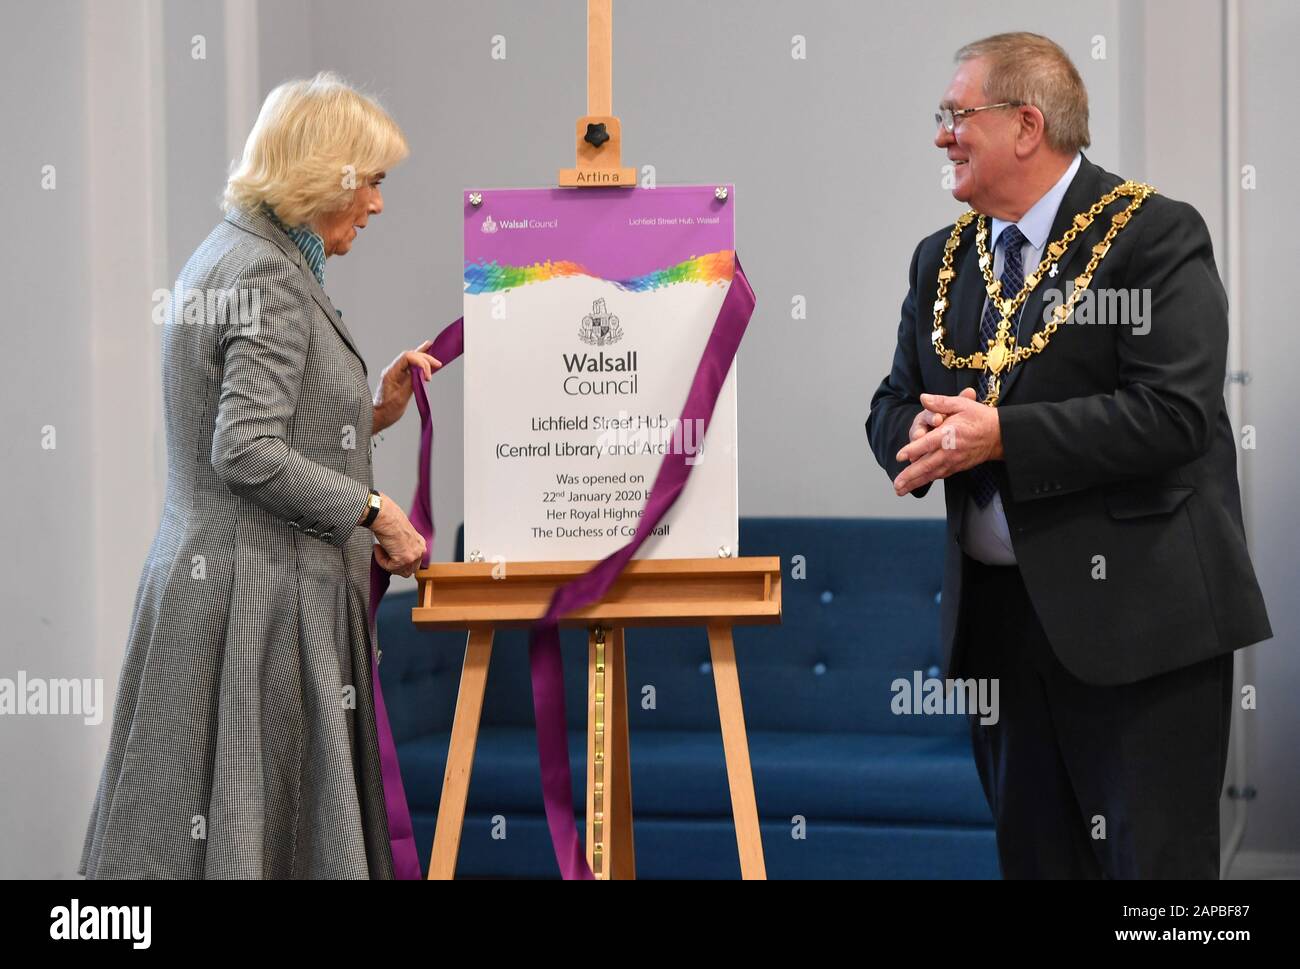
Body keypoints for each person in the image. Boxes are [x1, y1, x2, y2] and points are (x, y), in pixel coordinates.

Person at [867, 33, 1271, 878]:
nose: (942, 135)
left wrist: (1001, 436)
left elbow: (1172, 414)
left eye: (957, 115)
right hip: (1001, 633)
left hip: (1140, 627)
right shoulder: (940, 259)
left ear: (1027, 124)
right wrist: (925, 436)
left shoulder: (1154, 234)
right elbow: (892, 403)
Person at [80, 72, 437, 878]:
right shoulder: (270, 276)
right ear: (326, 174)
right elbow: (243, 449)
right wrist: (375, 508)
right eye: (372, 180)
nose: (378, 204)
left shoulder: (233, 252)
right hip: (256, 602)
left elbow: (260, 425)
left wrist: (369, 414)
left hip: (220, 589)